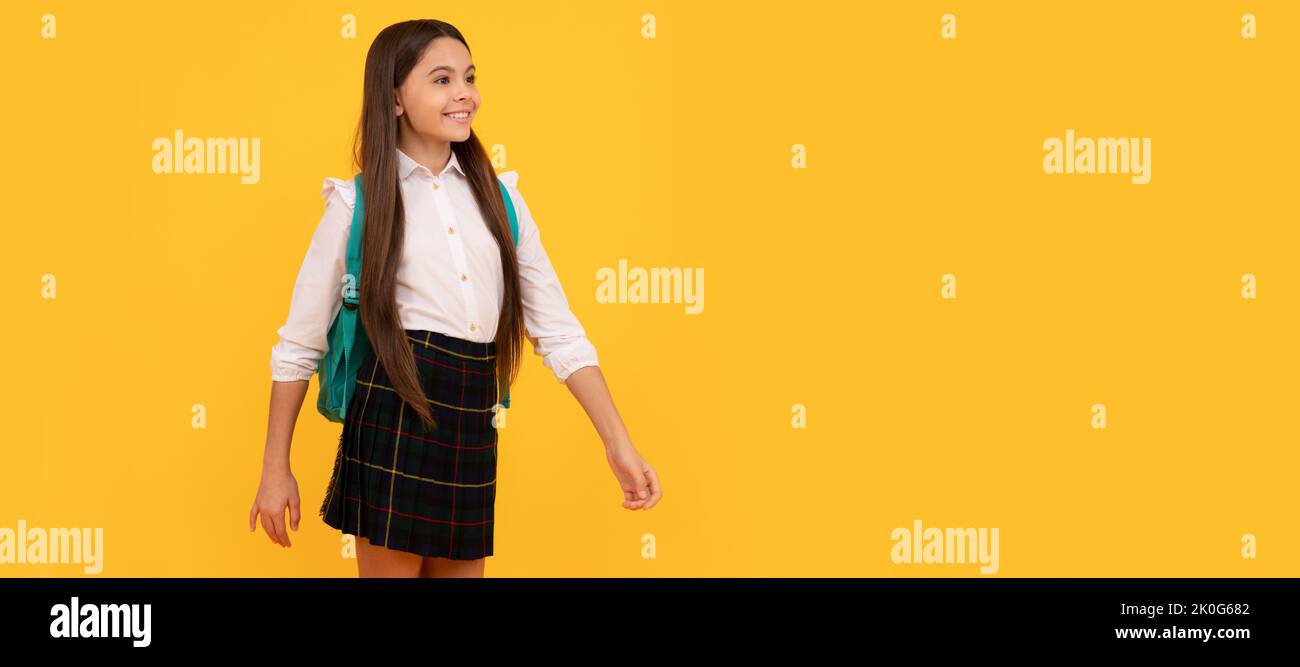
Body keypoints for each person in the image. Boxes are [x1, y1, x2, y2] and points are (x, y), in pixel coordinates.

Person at [249, 19, 661, 578]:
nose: (465, 93)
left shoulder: (502, 199)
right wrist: (276, 471)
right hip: (392, 414)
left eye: (469, 77)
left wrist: (620, 445)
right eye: (441, 79)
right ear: (394, 98)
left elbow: (559, 332)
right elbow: (297, 347)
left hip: (471, 418)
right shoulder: (356, 206)